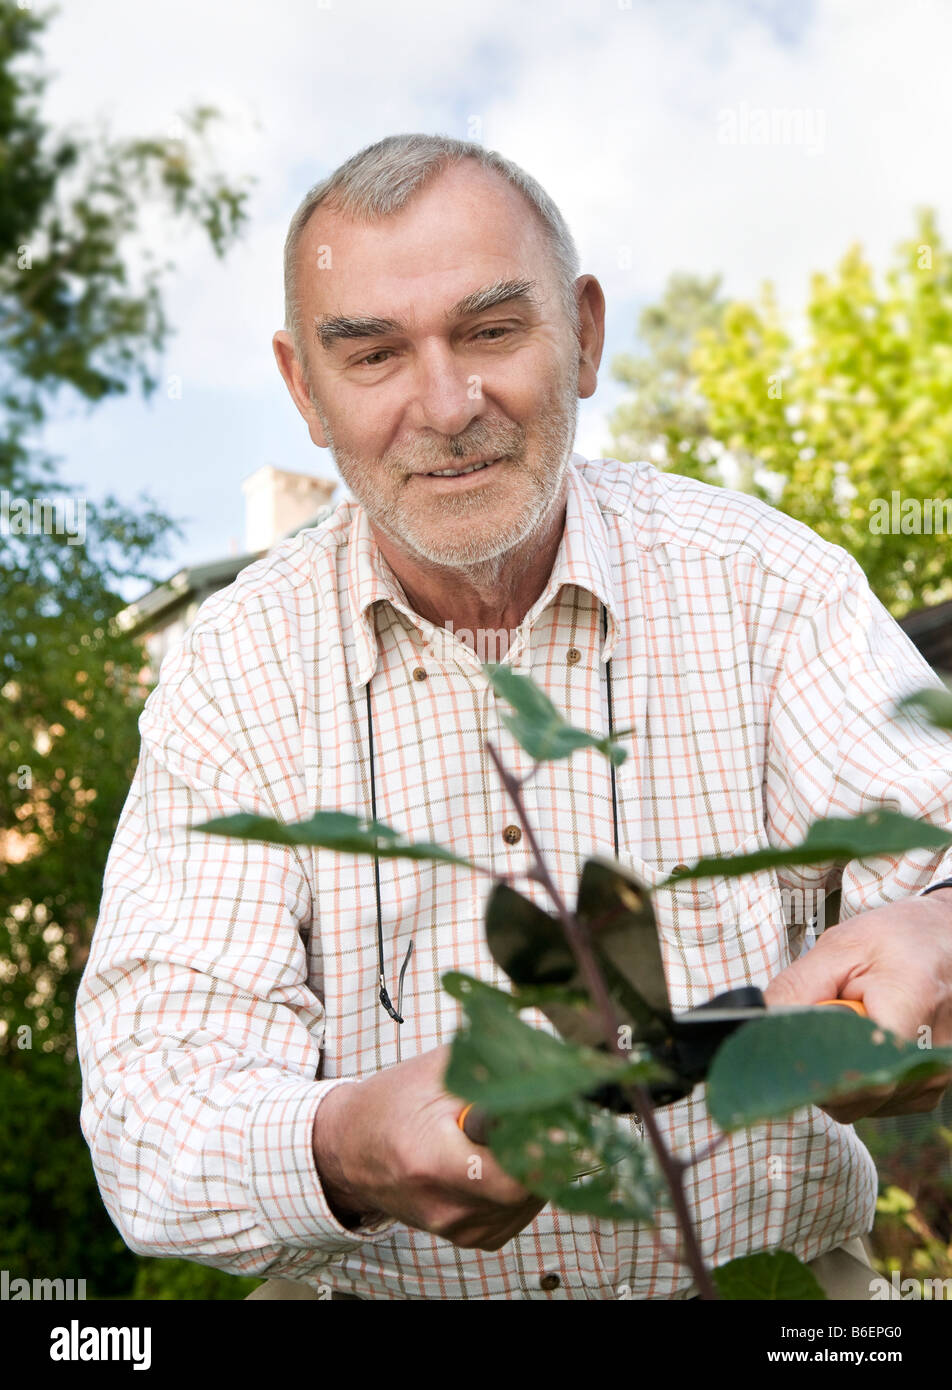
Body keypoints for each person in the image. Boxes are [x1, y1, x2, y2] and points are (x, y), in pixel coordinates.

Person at [76, 133, 952, 1301]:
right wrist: (341, 1143)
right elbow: (149, 1111)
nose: (446, 405)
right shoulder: (231, 669)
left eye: (491, 330)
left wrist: (939, 932)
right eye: (373, 353)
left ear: (583, 333)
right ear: (303, 389)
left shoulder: (769, 585)